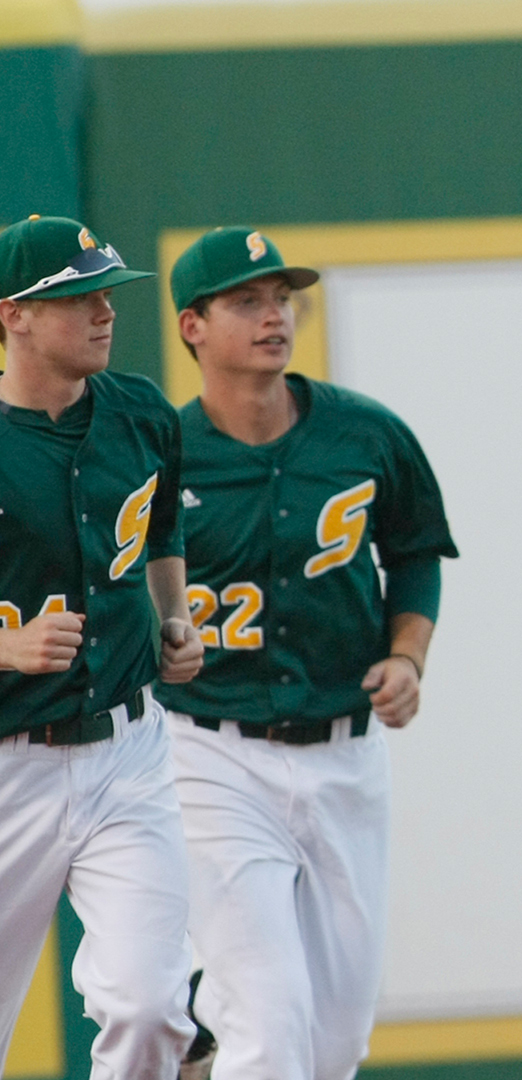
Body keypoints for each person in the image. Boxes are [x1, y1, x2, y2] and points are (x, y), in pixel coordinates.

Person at [157, 226, 458, 1080]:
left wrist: (408, 658)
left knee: (335, 1044)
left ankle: (208, 1035)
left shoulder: (364, 435)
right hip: (211, 753)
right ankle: (217, 1022)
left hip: (347, 752)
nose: (273, 316)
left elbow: (415, 551)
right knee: (271, 1017)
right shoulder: (164, 455)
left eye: (282, 298)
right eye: (246, 301)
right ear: (193, 326)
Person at [0, 214, 204, 1075]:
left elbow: (159, 538)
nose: (103, 312)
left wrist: (174, 619)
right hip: (10, 762)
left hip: (128, 751)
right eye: (76, 296)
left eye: (106, 292)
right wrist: (6, 648)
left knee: (154, 1008)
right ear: (13, 314)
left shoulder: (142, 415)